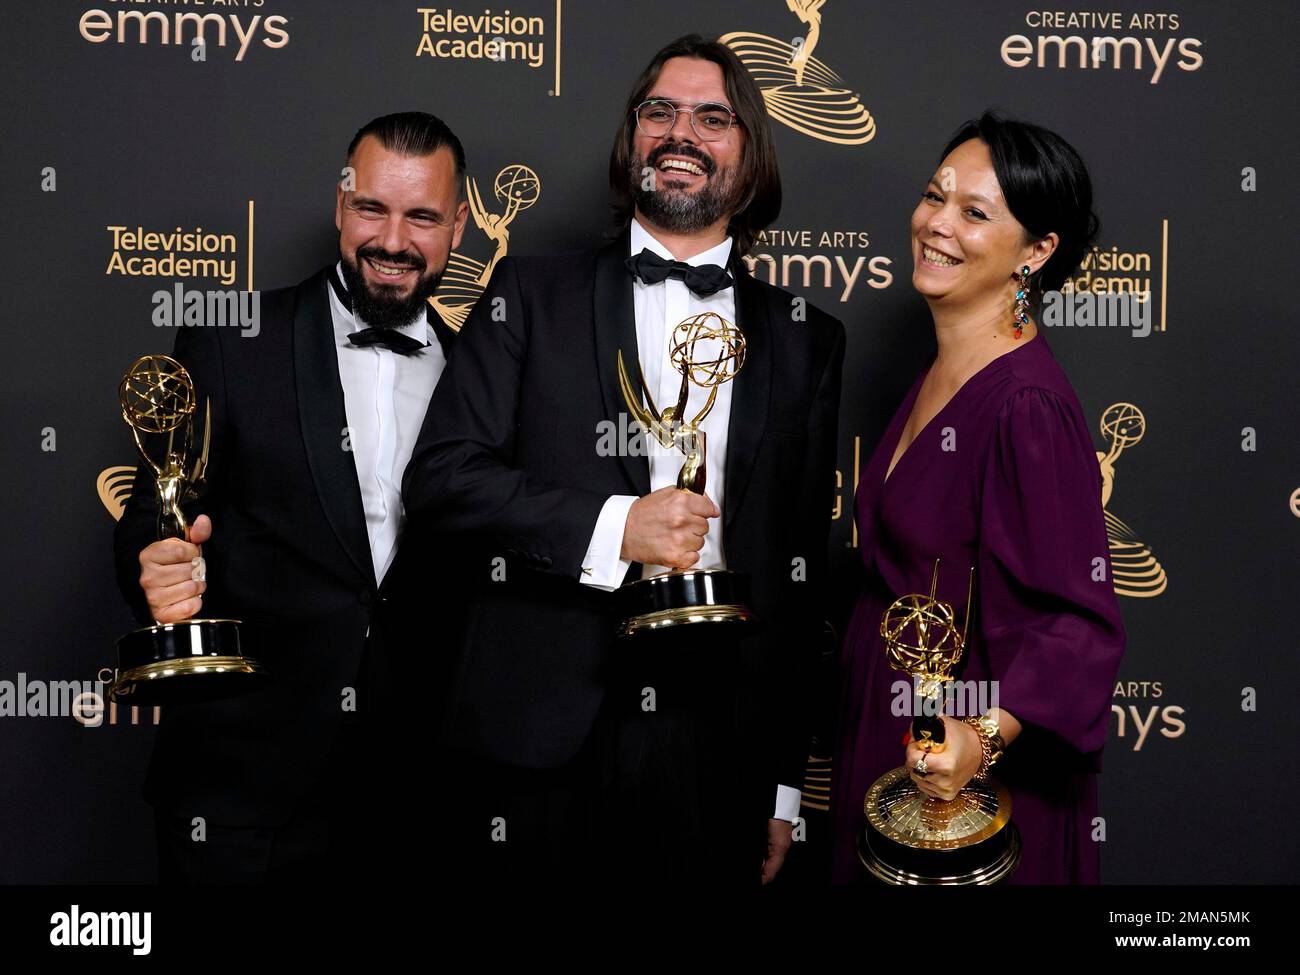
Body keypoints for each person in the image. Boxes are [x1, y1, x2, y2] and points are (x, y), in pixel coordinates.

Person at [403, 34, 845, 884]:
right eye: (660, 113)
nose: (682, 133)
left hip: (719, 745)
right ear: (631, 139)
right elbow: (444, 479)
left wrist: (785, 784)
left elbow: (798, 580)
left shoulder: (808, 339)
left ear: (749, 155)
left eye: (713, 118)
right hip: (539, 740)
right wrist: (617, 526)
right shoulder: (528, 294)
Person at [113, 112, 470, 883]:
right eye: (372, 208)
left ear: (458, 226)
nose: (393, 240)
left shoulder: (486, 373)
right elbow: (157, 507)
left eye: (422, 216)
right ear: (341, 204)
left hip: (417, 799)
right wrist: (154, 566)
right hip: (242, 792)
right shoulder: (235, 340)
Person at [829, 112, 1125, 884]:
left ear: (1037, 251)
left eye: (975, 212)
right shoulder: (939, 371)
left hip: (971, 781)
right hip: (891, 731)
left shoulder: (1026, 405)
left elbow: (1077, 623)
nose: (936, 223)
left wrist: (980, 737)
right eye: (935, 196)